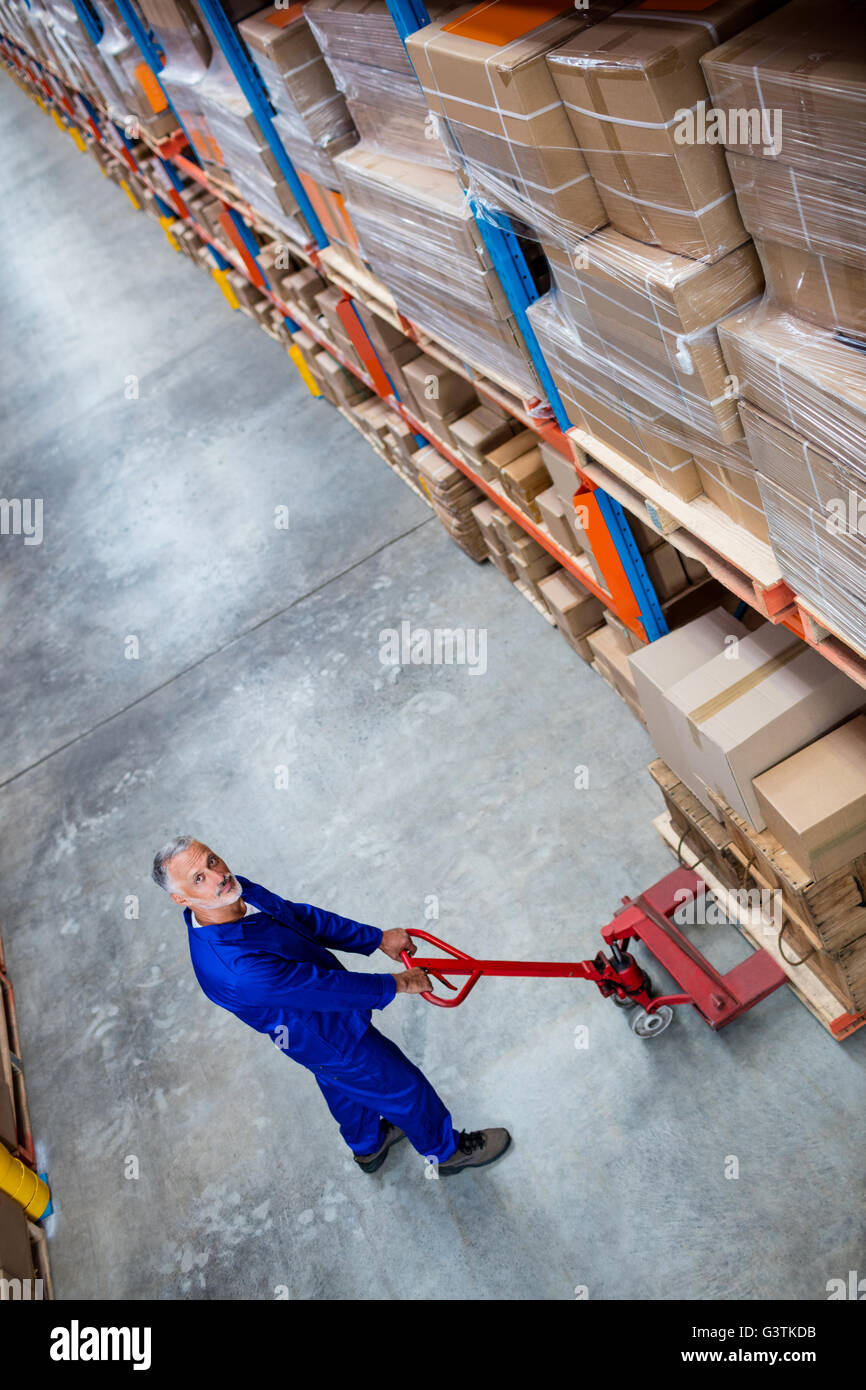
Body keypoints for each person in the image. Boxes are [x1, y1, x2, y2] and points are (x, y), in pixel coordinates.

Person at [151, 837, 510, 1176]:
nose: (218, 876)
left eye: (212, 860)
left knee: (338, 1081)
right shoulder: (237, 969)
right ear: (182, 899)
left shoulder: (231, 892)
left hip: (314, 1020)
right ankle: (445, 1152)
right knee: (402, 1087)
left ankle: (368, 1144)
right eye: (199, 878)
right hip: (322, 1033)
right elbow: (322, 990)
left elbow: (300, 918)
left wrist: (376, 938)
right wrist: (398, 982)